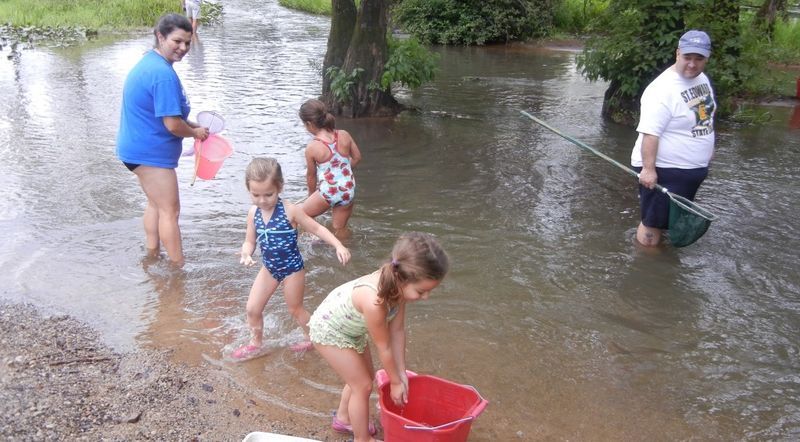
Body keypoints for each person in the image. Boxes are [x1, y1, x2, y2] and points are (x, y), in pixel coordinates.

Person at [309, 232, 449, 441]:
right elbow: (383, 347)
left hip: (352, 329)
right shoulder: (375, 301)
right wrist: (394, 382)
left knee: (364, 376)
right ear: (403, 278)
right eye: (421, 292)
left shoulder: (398, 287)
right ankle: (361, 439)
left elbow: (397, 331)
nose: (425, 298)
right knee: (362, 385)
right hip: (329, 330)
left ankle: (343, 418)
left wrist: (401, 374)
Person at [235, 158, 351, 360]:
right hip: (269, 268)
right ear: (248, 190)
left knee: (295, 309)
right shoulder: (253, 213)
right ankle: (255, 344)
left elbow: (316, 228)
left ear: (279, 187)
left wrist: (338, 245)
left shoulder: (291, 210)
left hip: (292, 270)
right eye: (256, 195)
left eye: (268, 194)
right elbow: (249, 241)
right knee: (252, 309)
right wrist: (246, 252)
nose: (262, 200)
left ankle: (313, 339)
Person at [117, 13, 209, 268]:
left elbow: (167, 115)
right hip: (150, 155)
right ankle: (179, 269)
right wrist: (196, 133)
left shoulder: (150, 62)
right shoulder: (162, 75)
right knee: (171, 211)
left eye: (188, 43)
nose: (182, 48)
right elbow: (171, 125)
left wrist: (191, 125)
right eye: (177, 41)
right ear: (160, 36)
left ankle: (152, 253)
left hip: (135, 150)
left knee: (156, 205)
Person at [631, 29, 716, 247]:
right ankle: (648, 269)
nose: (692, 64)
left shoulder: (701, 79)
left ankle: (661, 259)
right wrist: (649, 170)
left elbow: (704, 117)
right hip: (664, 169)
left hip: (689, 169)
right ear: (677, 53)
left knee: (666, 221)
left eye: (699, 59)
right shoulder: (662, 89)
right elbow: (650, 132)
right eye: (687, 57)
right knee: (652, 223)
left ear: (707, 58)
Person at [298, 99, 362, 238]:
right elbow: (357, 158)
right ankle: (344, 252)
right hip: (348, 189)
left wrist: (311, 196)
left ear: (309, 123)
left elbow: (311, 176)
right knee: (339, 228)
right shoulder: (344, 134)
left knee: (300, 215)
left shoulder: (312, 147)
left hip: (329, 191)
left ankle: (311, 241)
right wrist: (343, 173)